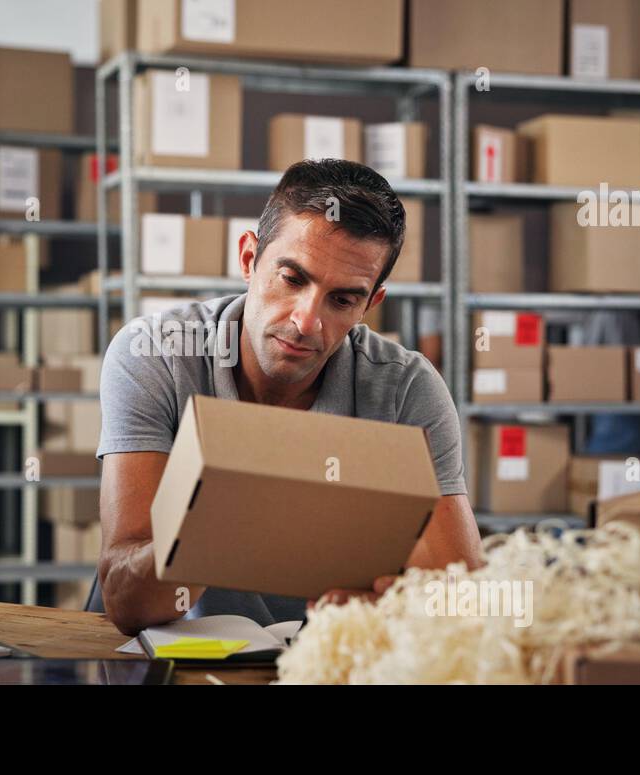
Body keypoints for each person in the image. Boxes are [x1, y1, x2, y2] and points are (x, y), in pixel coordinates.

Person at [95, 159, 481, 635]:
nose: (306, 321)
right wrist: (216, 516)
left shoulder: (405, 388)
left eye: (342, 300)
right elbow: (125, 599)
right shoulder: (156, 353)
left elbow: (464, 605)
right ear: (247, 258)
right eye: (293, 279)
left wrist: (386, 609)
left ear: (370, 305)